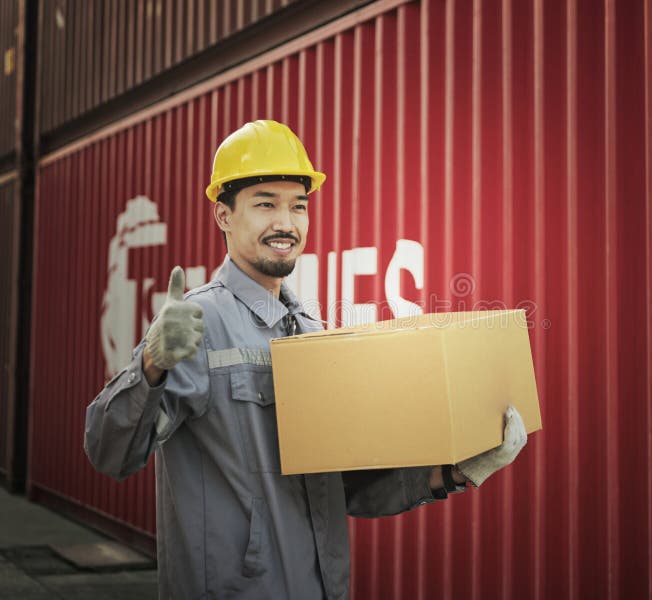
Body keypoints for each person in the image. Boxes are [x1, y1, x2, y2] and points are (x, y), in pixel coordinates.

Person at [84, 120, 528, 599]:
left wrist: (457, 471)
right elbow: (109, 453)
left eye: (298, 206)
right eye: (265, 204)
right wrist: (150, 363)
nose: (286, 223)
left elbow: (344, 490)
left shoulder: (310, 331)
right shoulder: (197, 323)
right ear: (223, 216)